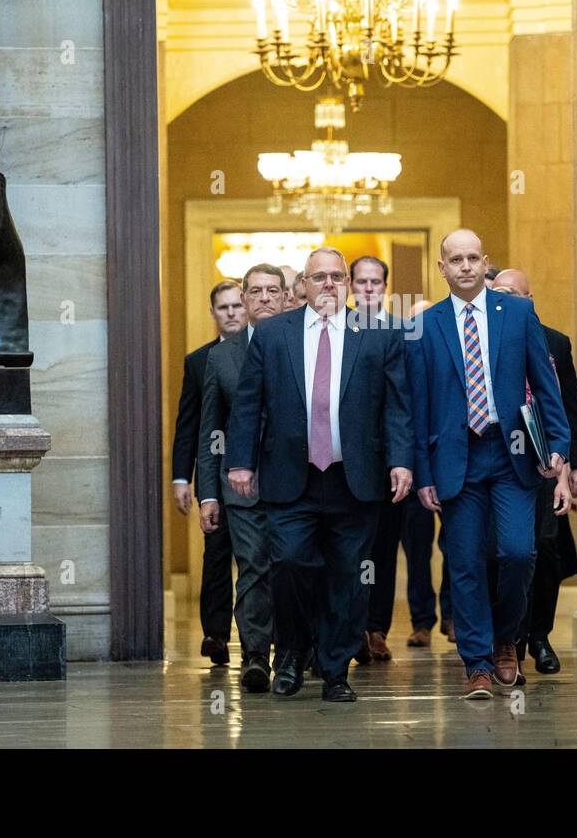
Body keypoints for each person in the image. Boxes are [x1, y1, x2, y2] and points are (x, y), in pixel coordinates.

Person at [226, 248, 413, 703]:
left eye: (337, 277)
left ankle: (335, 669)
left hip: (356, 477)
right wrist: (240, 461)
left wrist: (401, 460)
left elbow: (397, 405)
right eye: (319, 277)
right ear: (302, 287)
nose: (329, 285)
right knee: (289, 564)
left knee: (347, 577)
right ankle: (289, 655)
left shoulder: (377, 334)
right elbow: (250, 402)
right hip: (291, 475)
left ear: (347, 283)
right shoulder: (272, 335)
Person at [407, 230, 570, 699]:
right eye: (454, 259)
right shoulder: (428, 324)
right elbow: (418, 405)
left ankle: (506, 638)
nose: (464, 266)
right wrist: (422, 472)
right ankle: (477, 661)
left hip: (512, 452)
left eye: (472, 258)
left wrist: (559, 447)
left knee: (518, 553)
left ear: (485, 263)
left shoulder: (517, 313)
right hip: (455, 460)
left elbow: (543, 382)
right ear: (442, 268)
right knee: (465, 562)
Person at [492, 268, 577, 674]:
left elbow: (569, 404)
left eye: (517, 295)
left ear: (529, 300)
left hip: (548, 466)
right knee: (509, 554)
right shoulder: (482, 342)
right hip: (502, 465)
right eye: (501, 293)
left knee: (546, 551)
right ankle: (509, 639)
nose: (509, 301)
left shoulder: (554, 342)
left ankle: (539, 636)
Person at [197, 265, 286, 692]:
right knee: (252, 566)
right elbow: (209, 429)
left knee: (294, 568)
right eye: (256, 292)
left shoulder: (304, 344)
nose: (265, 299)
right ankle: (255, 656)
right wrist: (207, 494)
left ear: (287, 297)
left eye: (273, 291)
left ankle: (295, 650)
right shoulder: (222, 355)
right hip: (240, 484)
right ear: (244, 300)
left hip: (298, 483)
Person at [171, 279, 246, 665]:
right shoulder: (199, 360)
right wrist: (182, 477)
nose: (231, 313)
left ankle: (258, 638)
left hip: (257, 476)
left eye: (237, 305)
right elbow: (190, 423)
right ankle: (216, 634)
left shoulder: (262, 352)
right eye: (223, 307)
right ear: (213, 313)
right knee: (216, 555)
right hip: (215, 474)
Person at [349, 255, 418, 658]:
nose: (369, 288)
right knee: (348, 549)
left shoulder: (403, 333)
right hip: (344, 461)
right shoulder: (336, 328)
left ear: (386, 287)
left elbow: (405, 401)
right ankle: (349, 628)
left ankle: (376, 630)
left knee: (383, 549)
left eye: (376, 281)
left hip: (389, 460)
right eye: (362, 281)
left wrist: (404, 459)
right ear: (351, 286)